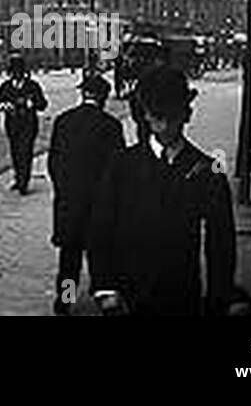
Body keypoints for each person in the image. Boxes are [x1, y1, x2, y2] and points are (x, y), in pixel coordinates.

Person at [88, 65, 236, 316]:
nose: (166, 126)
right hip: (126, 298)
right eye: (158, 117)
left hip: (181, 298)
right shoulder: (121, 165)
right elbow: (101, 229)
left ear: (187, 115)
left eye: (173, 116)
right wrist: (104, 288)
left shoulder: (209, 172)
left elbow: (221, 246)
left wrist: (217, 300)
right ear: (145, 115)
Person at [47, 72, 125, 314]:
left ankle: (65, 301)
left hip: (70, 203)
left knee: (69, 259)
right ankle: (105, 300)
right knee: (101, 257)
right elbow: (118, 168)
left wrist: (64, 190)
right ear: (104, 97)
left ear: (82, 94)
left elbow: (53, 162)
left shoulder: (63, 121)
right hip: (100, 206)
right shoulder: (111, 126)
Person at [0, 53, 47, 194]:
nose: (16, 75)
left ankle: (24, 181)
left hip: (28, 124)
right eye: (14, 72)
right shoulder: (6, 87)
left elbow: (43, 104)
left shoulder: (32, 86)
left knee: (26, 152)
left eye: (19, 72)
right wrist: (4, 105)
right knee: (15, 152)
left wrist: (33, 103)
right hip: (12, 124)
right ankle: (18, 177)